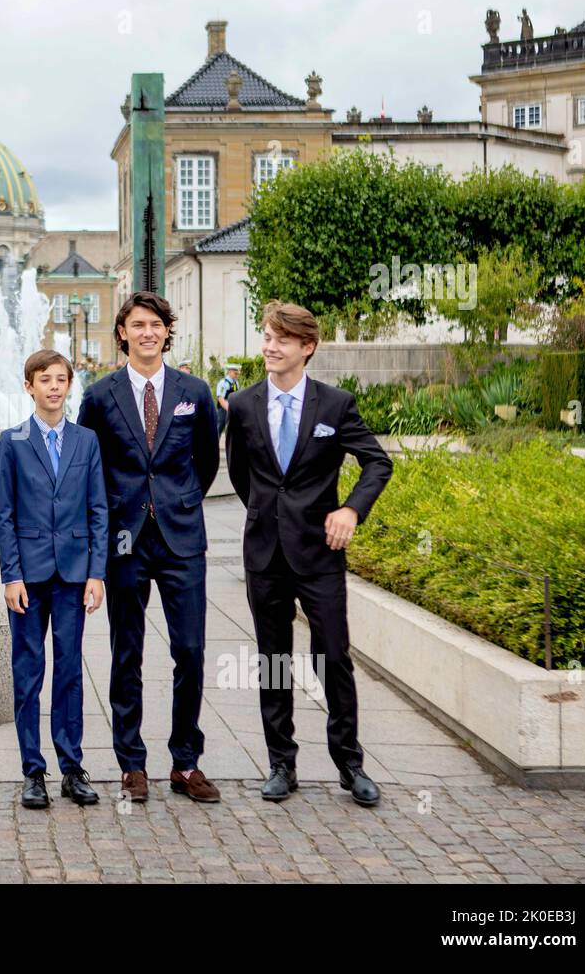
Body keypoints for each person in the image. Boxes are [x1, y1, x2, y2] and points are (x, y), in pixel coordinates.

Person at [225, 301, 392, 807]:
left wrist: (350, 511)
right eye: (267, 337)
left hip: (320, 555)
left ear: (307, 347)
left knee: (333, 657)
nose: (270, 347)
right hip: (265, 555)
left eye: (281, 339)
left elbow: (377, 464)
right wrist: (265, 515)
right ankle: (282, 764)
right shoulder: (243, 406)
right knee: (273, 660)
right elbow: (240, 475)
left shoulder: (335, 405)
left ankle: (349, 764)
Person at [77, 293, 221, 806]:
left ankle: (185, 761)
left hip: (182, 539)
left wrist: (175, 502)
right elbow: (90, 470)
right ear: (122, 333)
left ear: (166, 332)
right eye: (137, 325)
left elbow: (205, 462)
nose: (147, 332)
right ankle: (131, 764)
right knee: (126, 653)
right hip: (125, 541)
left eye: (155, 324)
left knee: (191, 651)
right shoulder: (98, 396)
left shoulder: (195, 393)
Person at [0, 350, 108, 809]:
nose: (55, 387)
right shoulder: (13, 441)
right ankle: (32, 770)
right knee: (28, 672)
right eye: (46, 380)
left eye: (62, 379)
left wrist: (97, 573)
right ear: (29, 387)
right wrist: (10, 576)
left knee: (69, 669)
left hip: (74, 574)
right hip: (28, 576)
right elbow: (3, 514)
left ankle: (72, 766)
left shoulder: (86, 441)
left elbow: (99, 510)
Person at [215, 362, 240, 437]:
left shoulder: (236, 383)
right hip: (223, 410)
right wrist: (228, 408)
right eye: (235, 373)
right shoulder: (223, 383)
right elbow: (220, 398)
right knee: (219, 428)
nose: (237, 375)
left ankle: (230, 447)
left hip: (232, 409)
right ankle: (213, 446)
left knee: (231, 430)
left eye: (237, 373)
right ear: (229, 371)